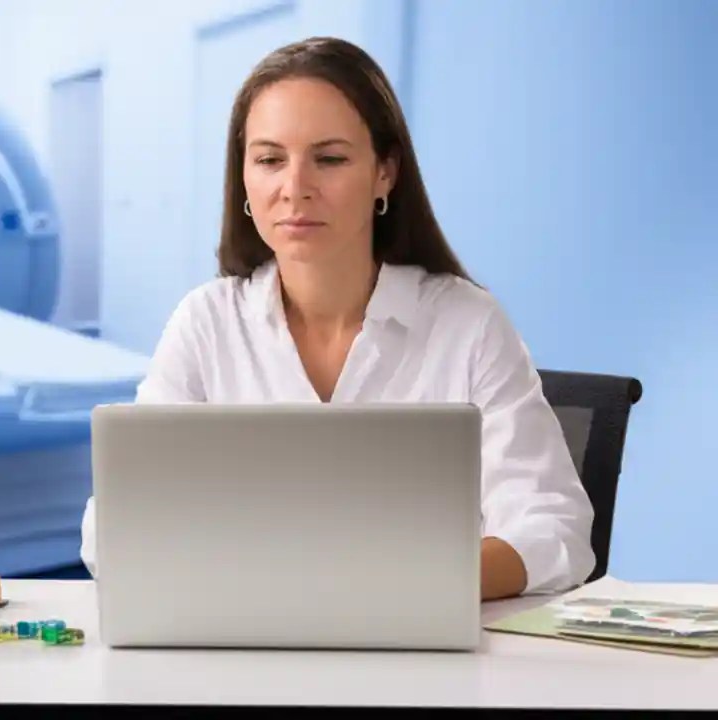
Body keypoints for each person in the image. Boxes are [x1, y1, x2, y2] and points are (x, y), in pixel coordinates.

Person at [79, 36, 596, 600]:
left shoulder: (466, 324)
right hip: (242, 647)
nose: (294, 189)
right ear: (244, 179)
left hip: (425, 655)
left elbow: (554, 530)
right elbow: (112, 528)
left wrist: (393, 587)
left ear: (385, 173)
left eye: (329, 159)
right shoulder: (205, 322)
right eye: (270, 159)